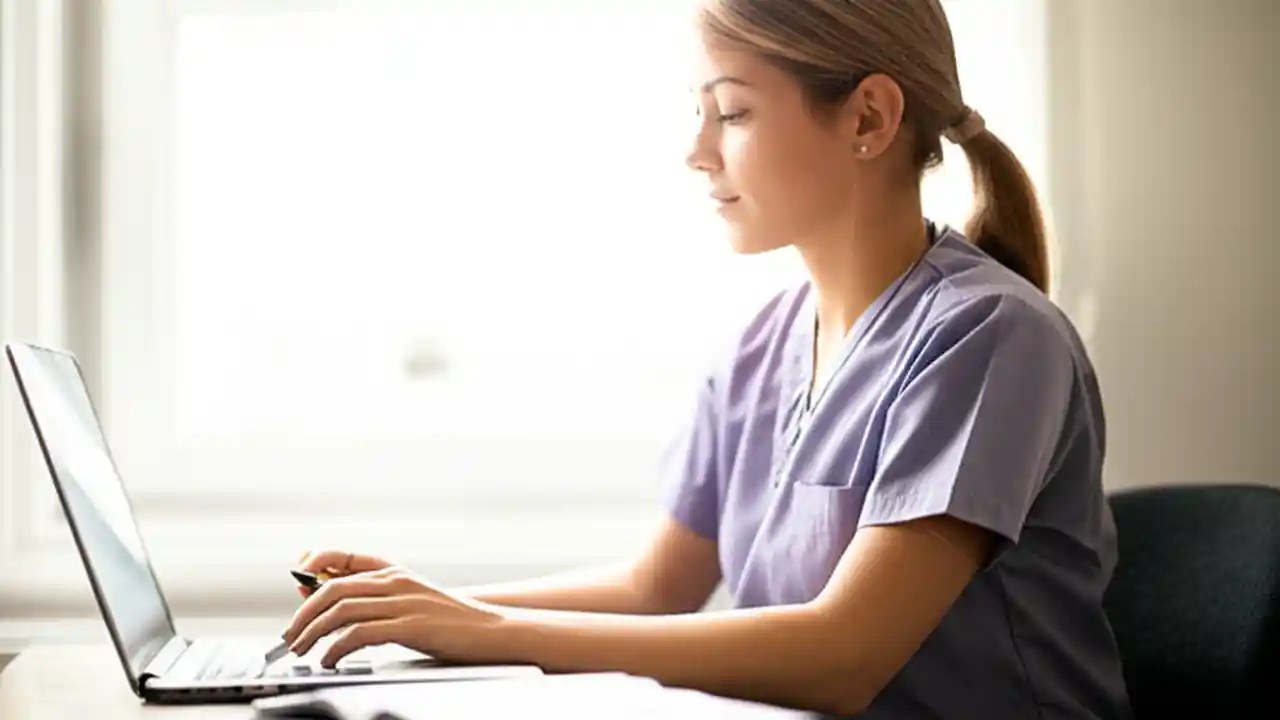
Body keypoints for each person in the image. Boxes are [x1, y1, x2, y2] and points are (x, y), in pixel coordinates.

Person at [280, 1, 1133, 716]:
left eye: (732, 112)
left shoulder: (989, 335)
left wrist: (482, 633)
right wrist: (420, 609)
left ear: (869, 118)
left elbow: (844, 654)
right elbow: (657, 590)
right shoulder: (762, 344)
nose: (698, 150)